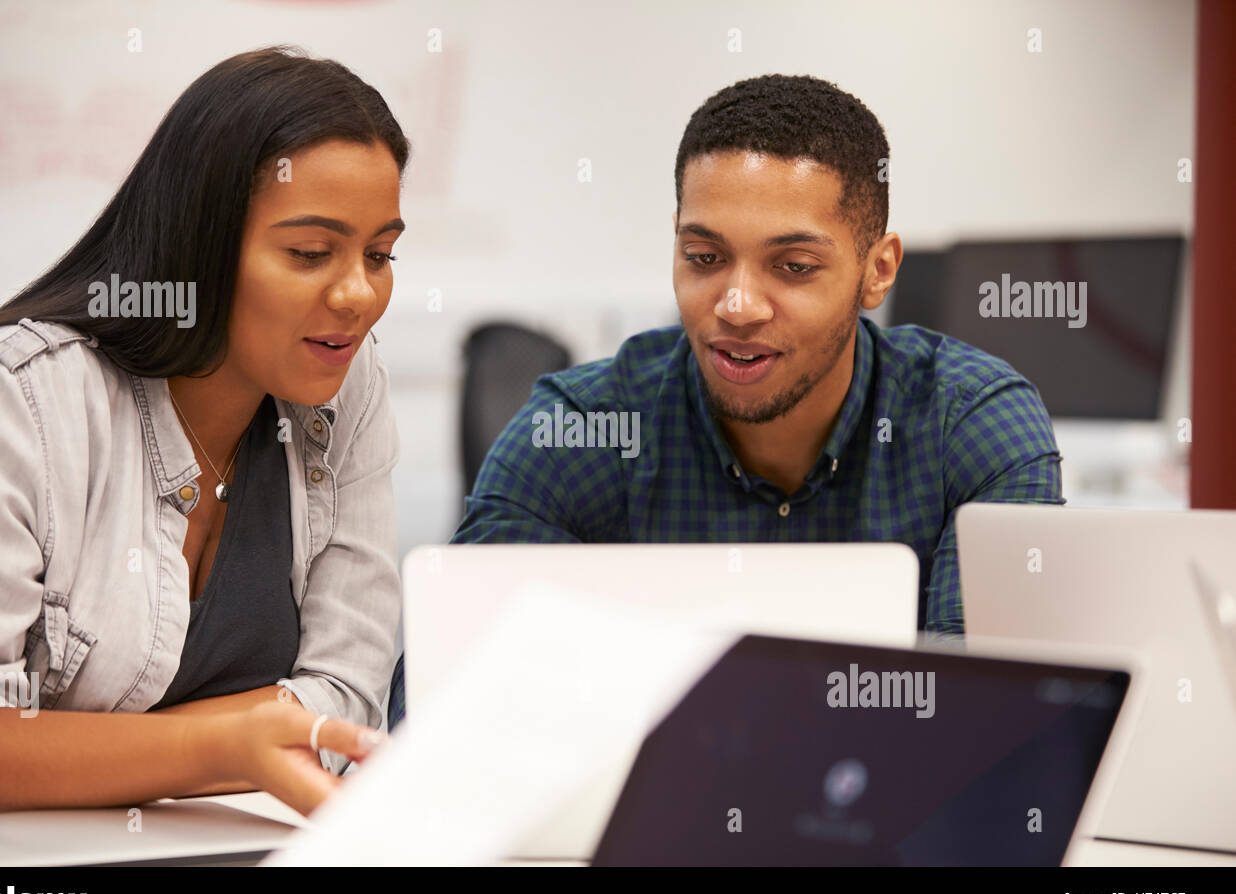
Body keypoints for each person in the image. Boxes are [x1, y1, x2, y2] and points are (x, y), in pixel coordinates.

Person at [397, 74, 1063, 720]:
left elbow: (988, 723)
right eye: (705, 258)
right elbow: (437, 706)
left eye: (794, 267)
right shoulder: (581, 431)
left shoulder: (972, 422)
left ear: (877, 270)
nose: (737, 307)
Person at [0, 46, 408, 817]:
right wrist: (224, 747)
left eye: (381, 254)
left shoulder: (347, 384)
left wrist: (80, 753)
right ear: (203, 243)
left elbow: (345, 703)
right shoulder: (19, 398)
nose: (358, 294)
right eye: (310, 253)